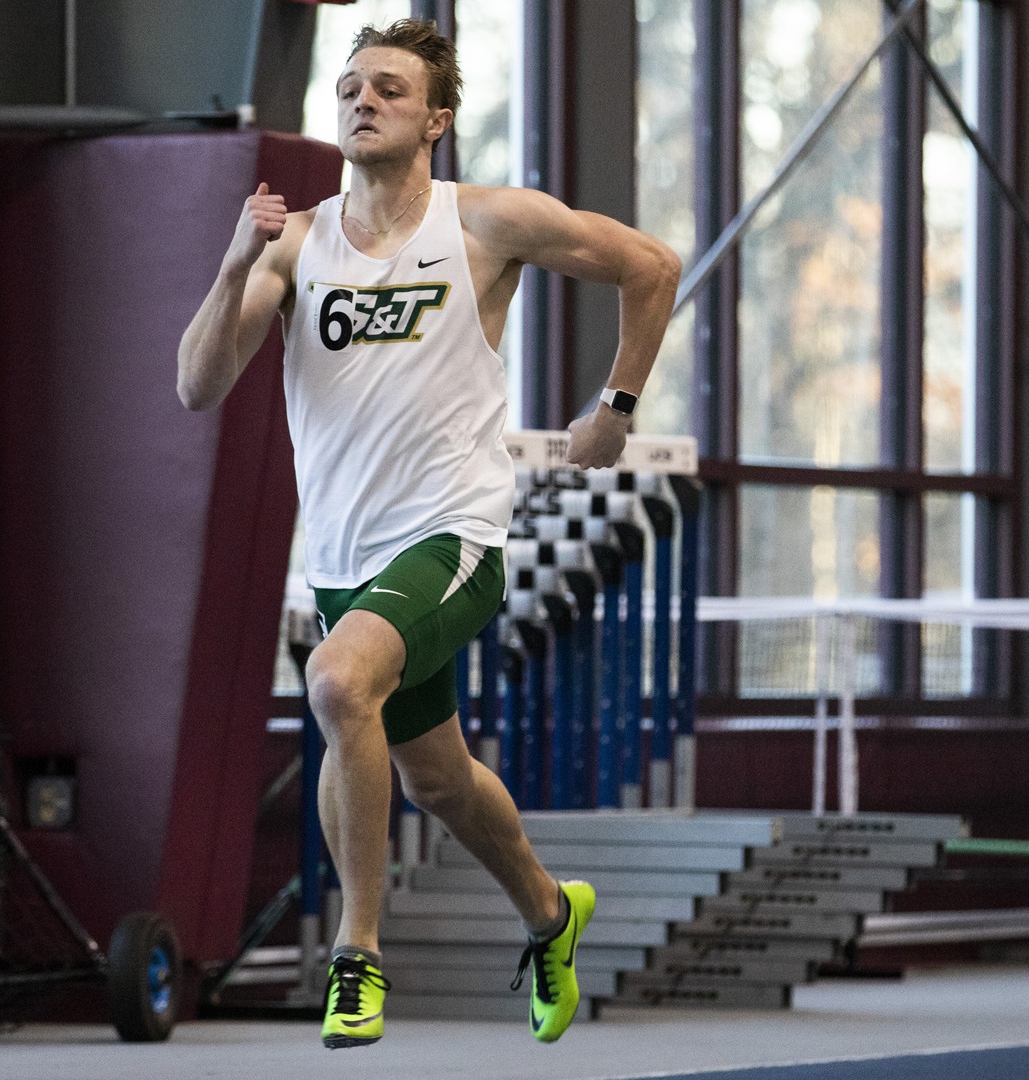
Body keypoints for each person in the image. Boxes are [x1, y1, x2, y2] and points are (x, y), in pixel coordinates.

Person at [175, 18, 681, 1049]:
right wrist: (235, 263)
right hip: (347, 560)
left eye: (390, 90)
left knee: (334, 684)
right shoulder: (296, 242)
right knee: (436, 776)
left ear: (436, 119)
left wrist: (616, 407)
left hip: (453, 537)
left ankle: (357, 956)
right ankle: (550, 913)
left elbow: (653, 265)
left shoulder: (487, 223)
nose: (363, 100)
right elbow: (196, 387)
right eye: (350, 87)